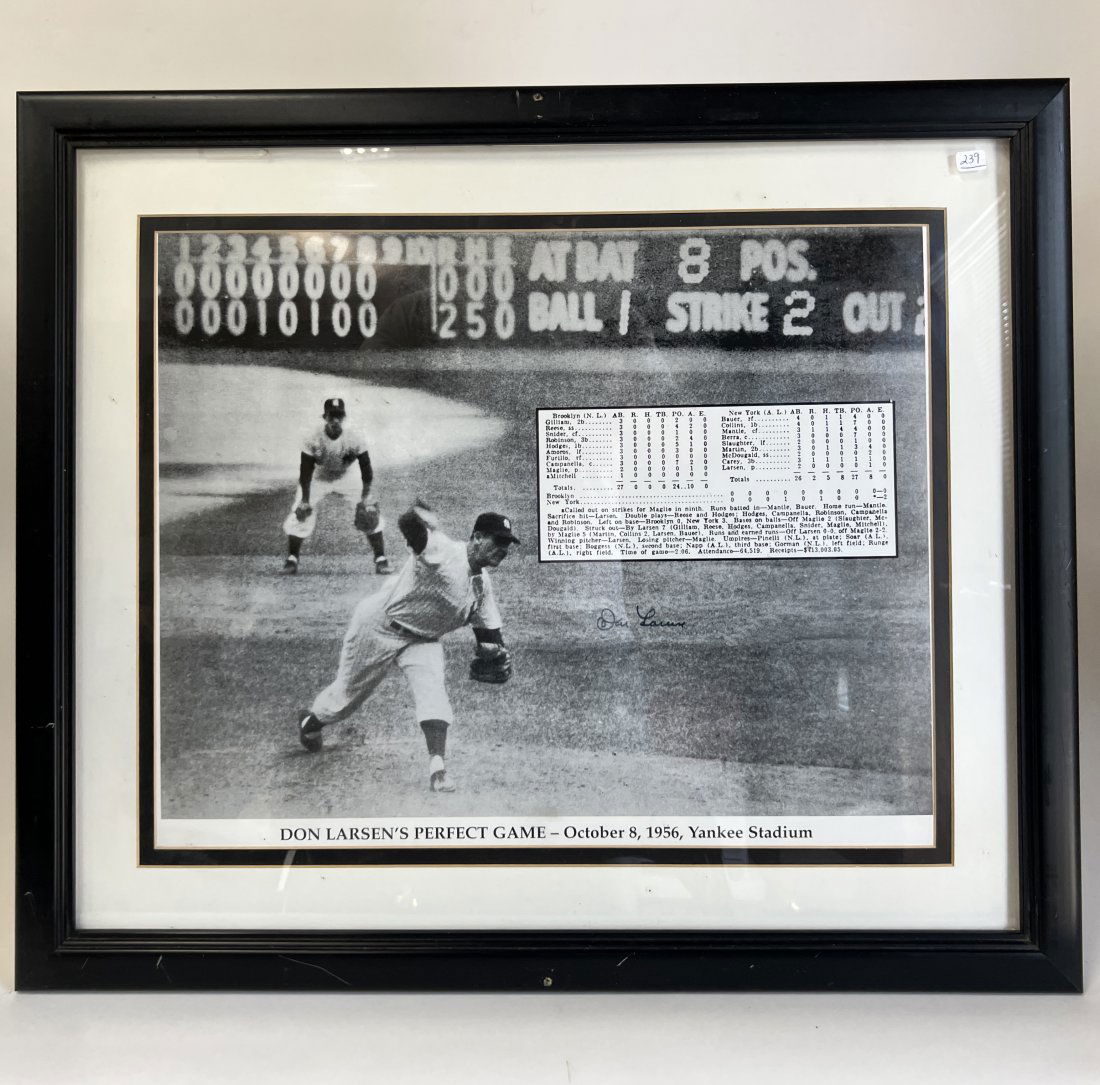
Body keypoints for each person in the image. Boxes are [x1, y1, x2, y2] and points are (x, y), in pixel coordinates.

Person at [296, 501, 519, 793]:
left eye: (507, 544)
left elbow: (490, 636)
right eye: (497, 541)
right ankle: (310, 722)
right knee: (344, 698)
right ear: (476, 537)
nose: (502, 549)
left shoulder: (482, 589)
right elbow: (413, 531)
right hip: (379, 626)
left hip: (422, 640)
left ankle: (437, 769)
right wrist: (414, 517)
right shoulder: (444, 552)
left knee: (434, 695)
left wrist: (495, 653)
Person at [281, 396, 390, 575]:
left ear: (344, 417)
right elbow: (305, 470)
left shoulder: (354, 437)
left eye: (339, 415)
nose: (335, 420)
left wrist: (365, 497)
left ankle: (381, 560)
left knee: (369, 512)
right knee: (300, 512)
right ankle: (292, 559)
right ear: (325, 417)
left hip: (346, 477)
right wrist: (305, 500)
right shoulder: (313, 437)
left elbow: (366, 469)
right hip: (319, 477)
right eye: (332, 416)